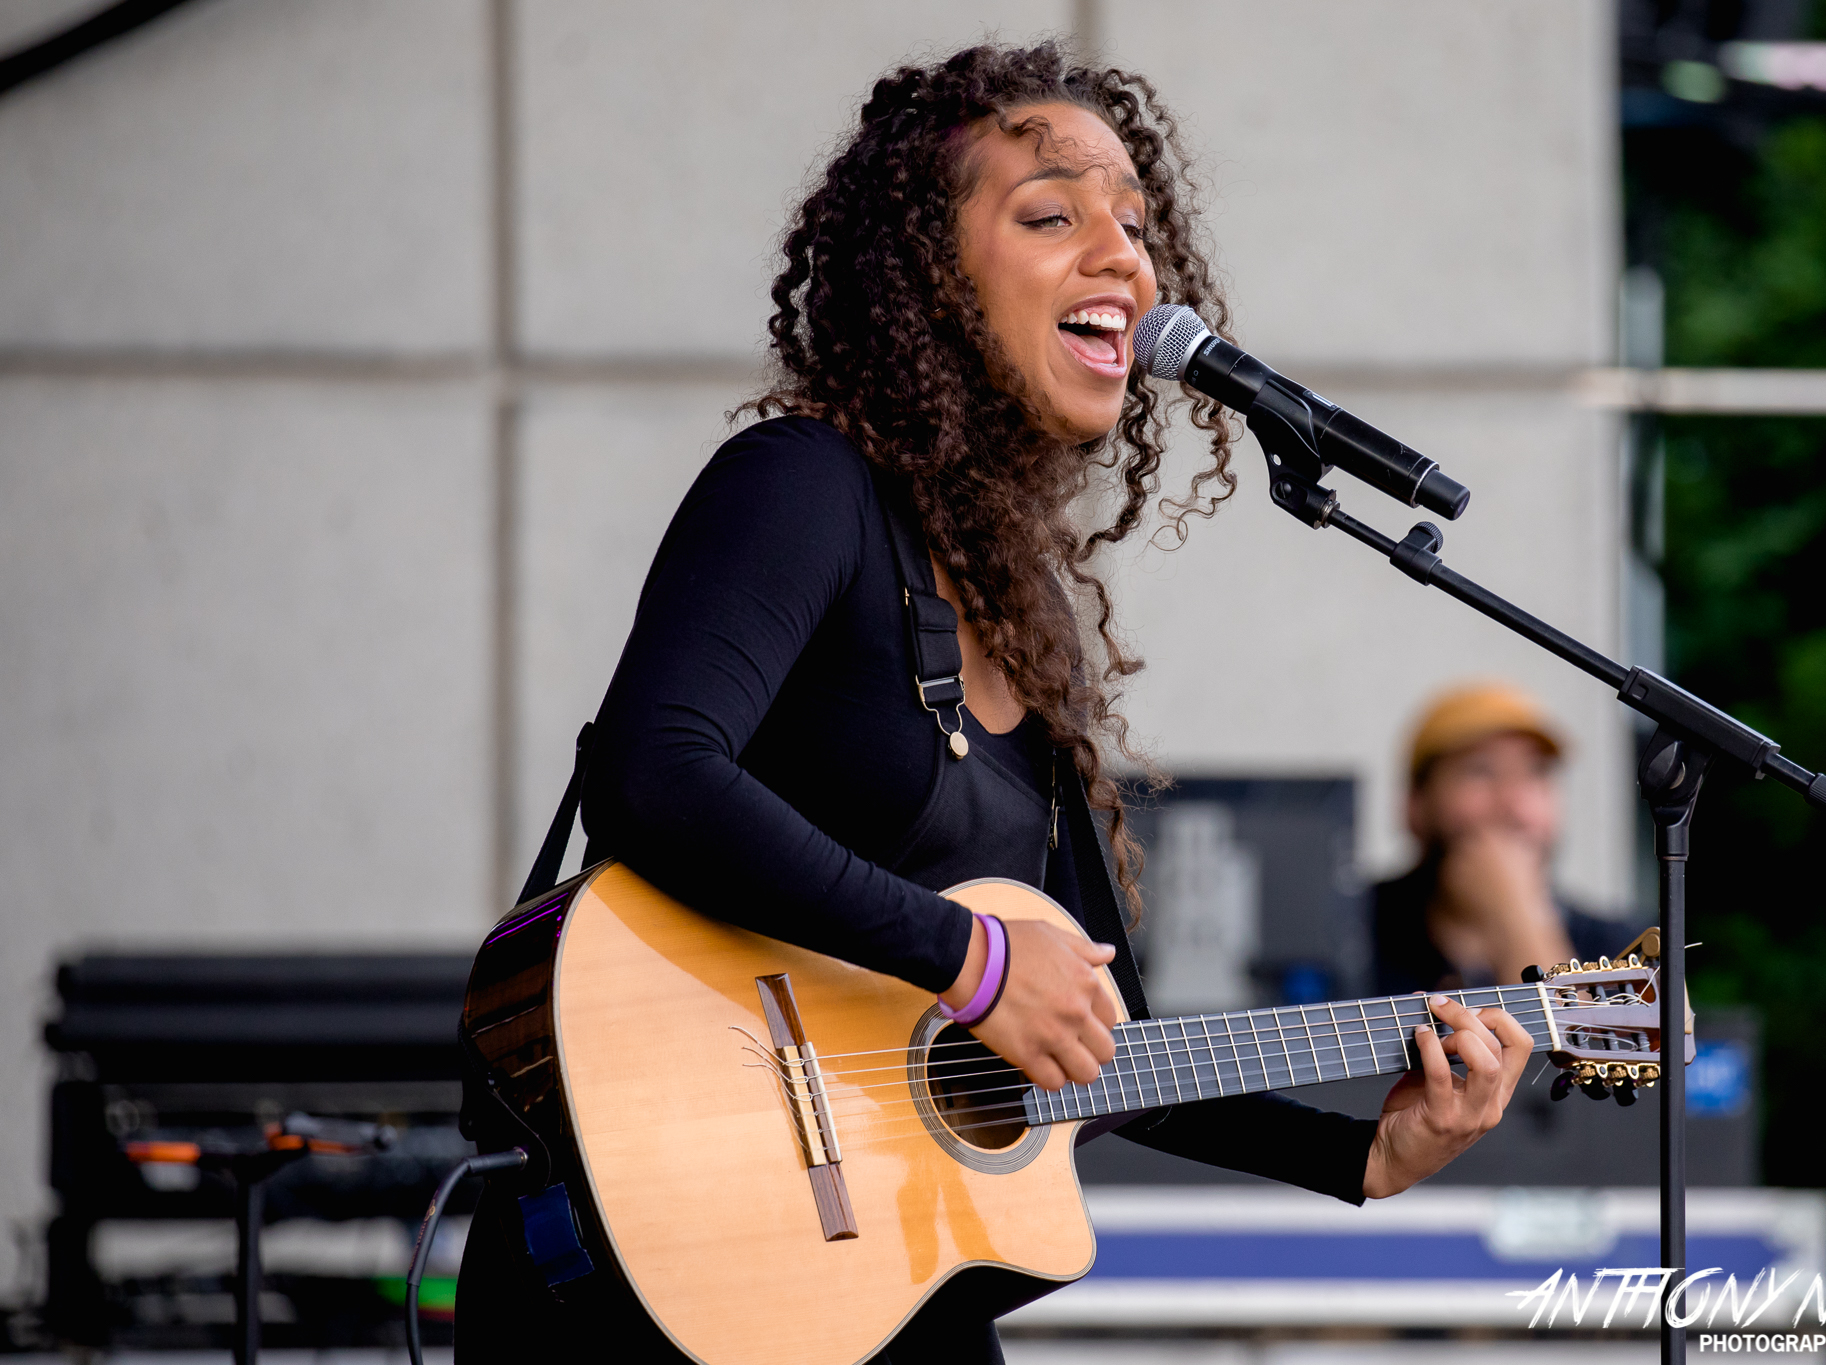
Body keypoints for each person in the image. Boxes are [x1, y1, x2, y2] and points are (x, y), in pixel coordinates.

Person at [457, 42, 1532, 1364]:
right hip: (656, 1277)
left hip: (890, 1293)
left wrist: (1368, 1153)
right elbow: (657, 768)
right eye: (1051, 215)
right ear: (927, 278)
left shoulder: (1026, 615)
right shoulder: (806, 483)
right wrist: (967, 960)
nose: (1123, 258)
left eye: (1138, 226)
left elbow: (1097, 1049)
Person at [1371, 683, 1640, 998]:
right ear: (1414, 805)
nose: (1514, 805)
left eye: (1535, 773)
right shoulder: (1346, 932)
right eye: (1481, 771)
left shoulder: (1621, 948)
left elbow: (1591, 1042)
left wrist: (1517, 915)